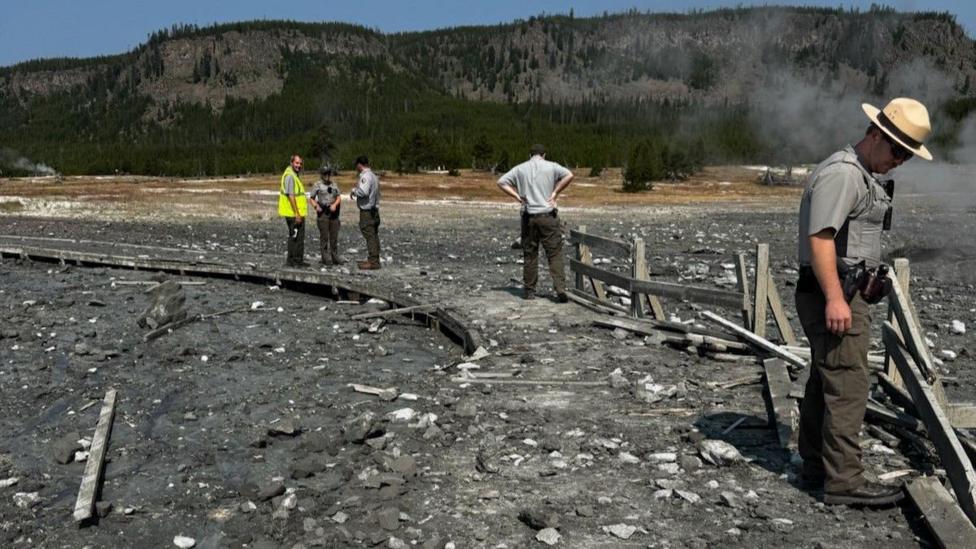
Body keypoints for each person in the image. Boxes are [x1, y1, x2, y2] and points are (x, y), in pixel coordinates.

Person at [795, 97, 932, 507]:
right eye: (897, 150)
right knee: (849, 383)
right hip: (835, 292)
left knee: (828, 378)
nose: (900, 160)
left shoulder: (860, 174)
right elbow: (820, 238)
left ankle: (817, 466)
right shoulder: (844, 175)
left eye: (907, 155)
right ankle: (844, 482)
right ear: (875, 135)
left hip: (840, 290)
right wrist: (836, 298)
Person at [497, 144, 574, 302]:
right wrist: (555, 193)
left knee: (530, 254)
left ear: (529, 155)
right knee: (554, 254)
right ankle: (560, 289)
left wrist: (518, 196)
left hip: (529, 216)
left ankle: (529, 291)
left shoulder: (520, 169)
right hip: (548, 215)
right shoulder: (552, 166)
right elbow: (569, 175)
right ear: (544, 154)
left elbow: (501, 182)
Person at [350, 155, 381, 270]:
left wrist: (354, 191)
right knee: (373, 233)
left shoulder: (365, 177)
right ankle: (374, 258)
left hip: (367, 211)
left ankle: (373, 261)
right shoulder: (374, 175)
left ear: (359, 164)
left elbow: (363, 192)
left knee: (369, 234)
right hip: (374, 210)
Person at [308, 166, 343, 265]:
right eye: (325, 174)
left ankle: (335, 257)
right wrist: (316, 206)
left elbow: (339, 197)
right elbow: (311, 198)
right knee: (324, 237)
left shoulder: (334, 184)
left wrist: (335, 205)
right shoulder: (317, 185)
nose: (327, 176)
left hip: (334, 213)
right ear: (321, 174)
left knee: (334, 236)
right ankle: (325, 258)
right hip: (323, 212)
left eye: (328, 173)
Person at [279, 154, 308, 267]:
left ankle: (292, 261)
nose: (299, 165)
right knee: (297, 237)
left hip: (294, 212)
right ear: (291, 163)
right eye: (297, 163)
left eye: (300, 163)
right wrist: (297, 214)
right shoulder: (290, 176)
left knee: (294, 236)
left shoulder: (292, 175)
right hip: (293, 213)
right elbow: (291, 196)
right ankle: (295, 261)